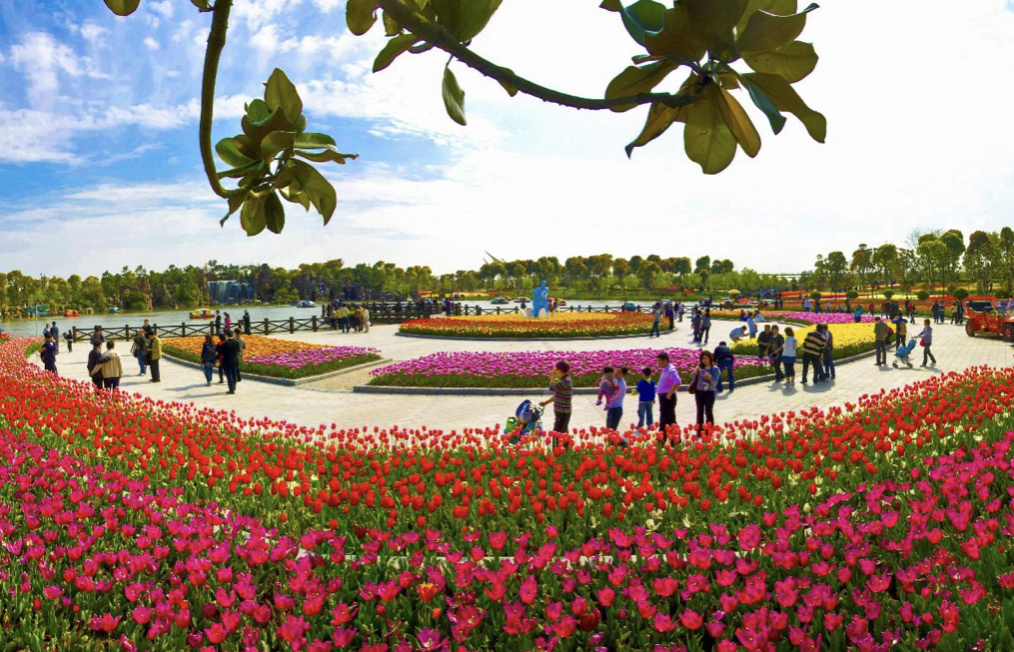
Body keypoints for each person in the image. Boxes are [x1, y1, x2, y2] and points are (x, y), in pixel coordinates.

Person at [540, 361, 573, 438]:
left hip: (563, 412)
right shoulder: (564, 379)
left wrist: (553, 376)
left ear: (560, 370)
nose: (555, 371)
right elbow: (558, 395)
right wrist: (545, 403)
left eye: (556, 369)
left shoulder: (565, 381)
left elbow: (552, 388)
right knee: (563, 432)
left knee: (558, 433)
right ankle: (564, 448)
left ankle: (558, 449)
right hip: (561, 411)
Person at [691, 351, 719, 434]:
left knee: (708, 411)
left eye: (706, 358)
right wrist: (695, 372)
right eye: (703, 359)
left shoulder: (714, 369)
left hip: (709, 393)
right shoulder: (700, 367)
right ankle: (699, 431)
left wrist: (709, 377)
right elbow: (693, 377)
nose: (704, 360)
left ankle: (709, 430)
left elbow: (715, 381)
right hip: (699, 392)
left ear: (710, 358)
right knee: (699, 411)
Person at [656, 352, 678, 438]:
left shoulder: (671, 370)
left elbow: (678, 382)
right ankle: (664, 437)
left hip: (667, 398)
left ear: (665, 360)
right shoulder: (666, 369)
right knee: (665, 418)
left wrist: (670, 392)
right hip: (663, 397)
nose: (658, 364)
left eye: (659, 361)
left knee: (668, 419)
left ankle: (672, 438)